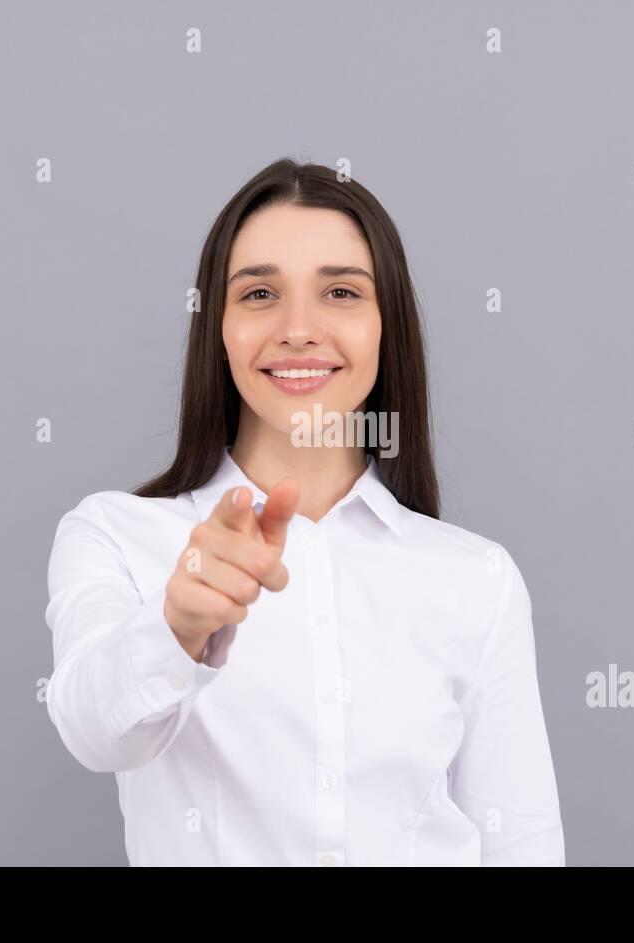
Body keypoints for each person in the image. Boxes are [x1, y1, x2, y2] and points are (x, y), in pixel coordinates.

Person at [43, 158, 564, 866]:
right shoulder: (116, 534)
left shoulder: (478, 578)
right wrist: (177, 628)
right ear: (217, 328)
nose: (297, 329)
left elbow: (520, 845)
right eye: (258, 293)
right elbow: (93, 728)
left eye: (341, 292)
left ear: (388, 327)